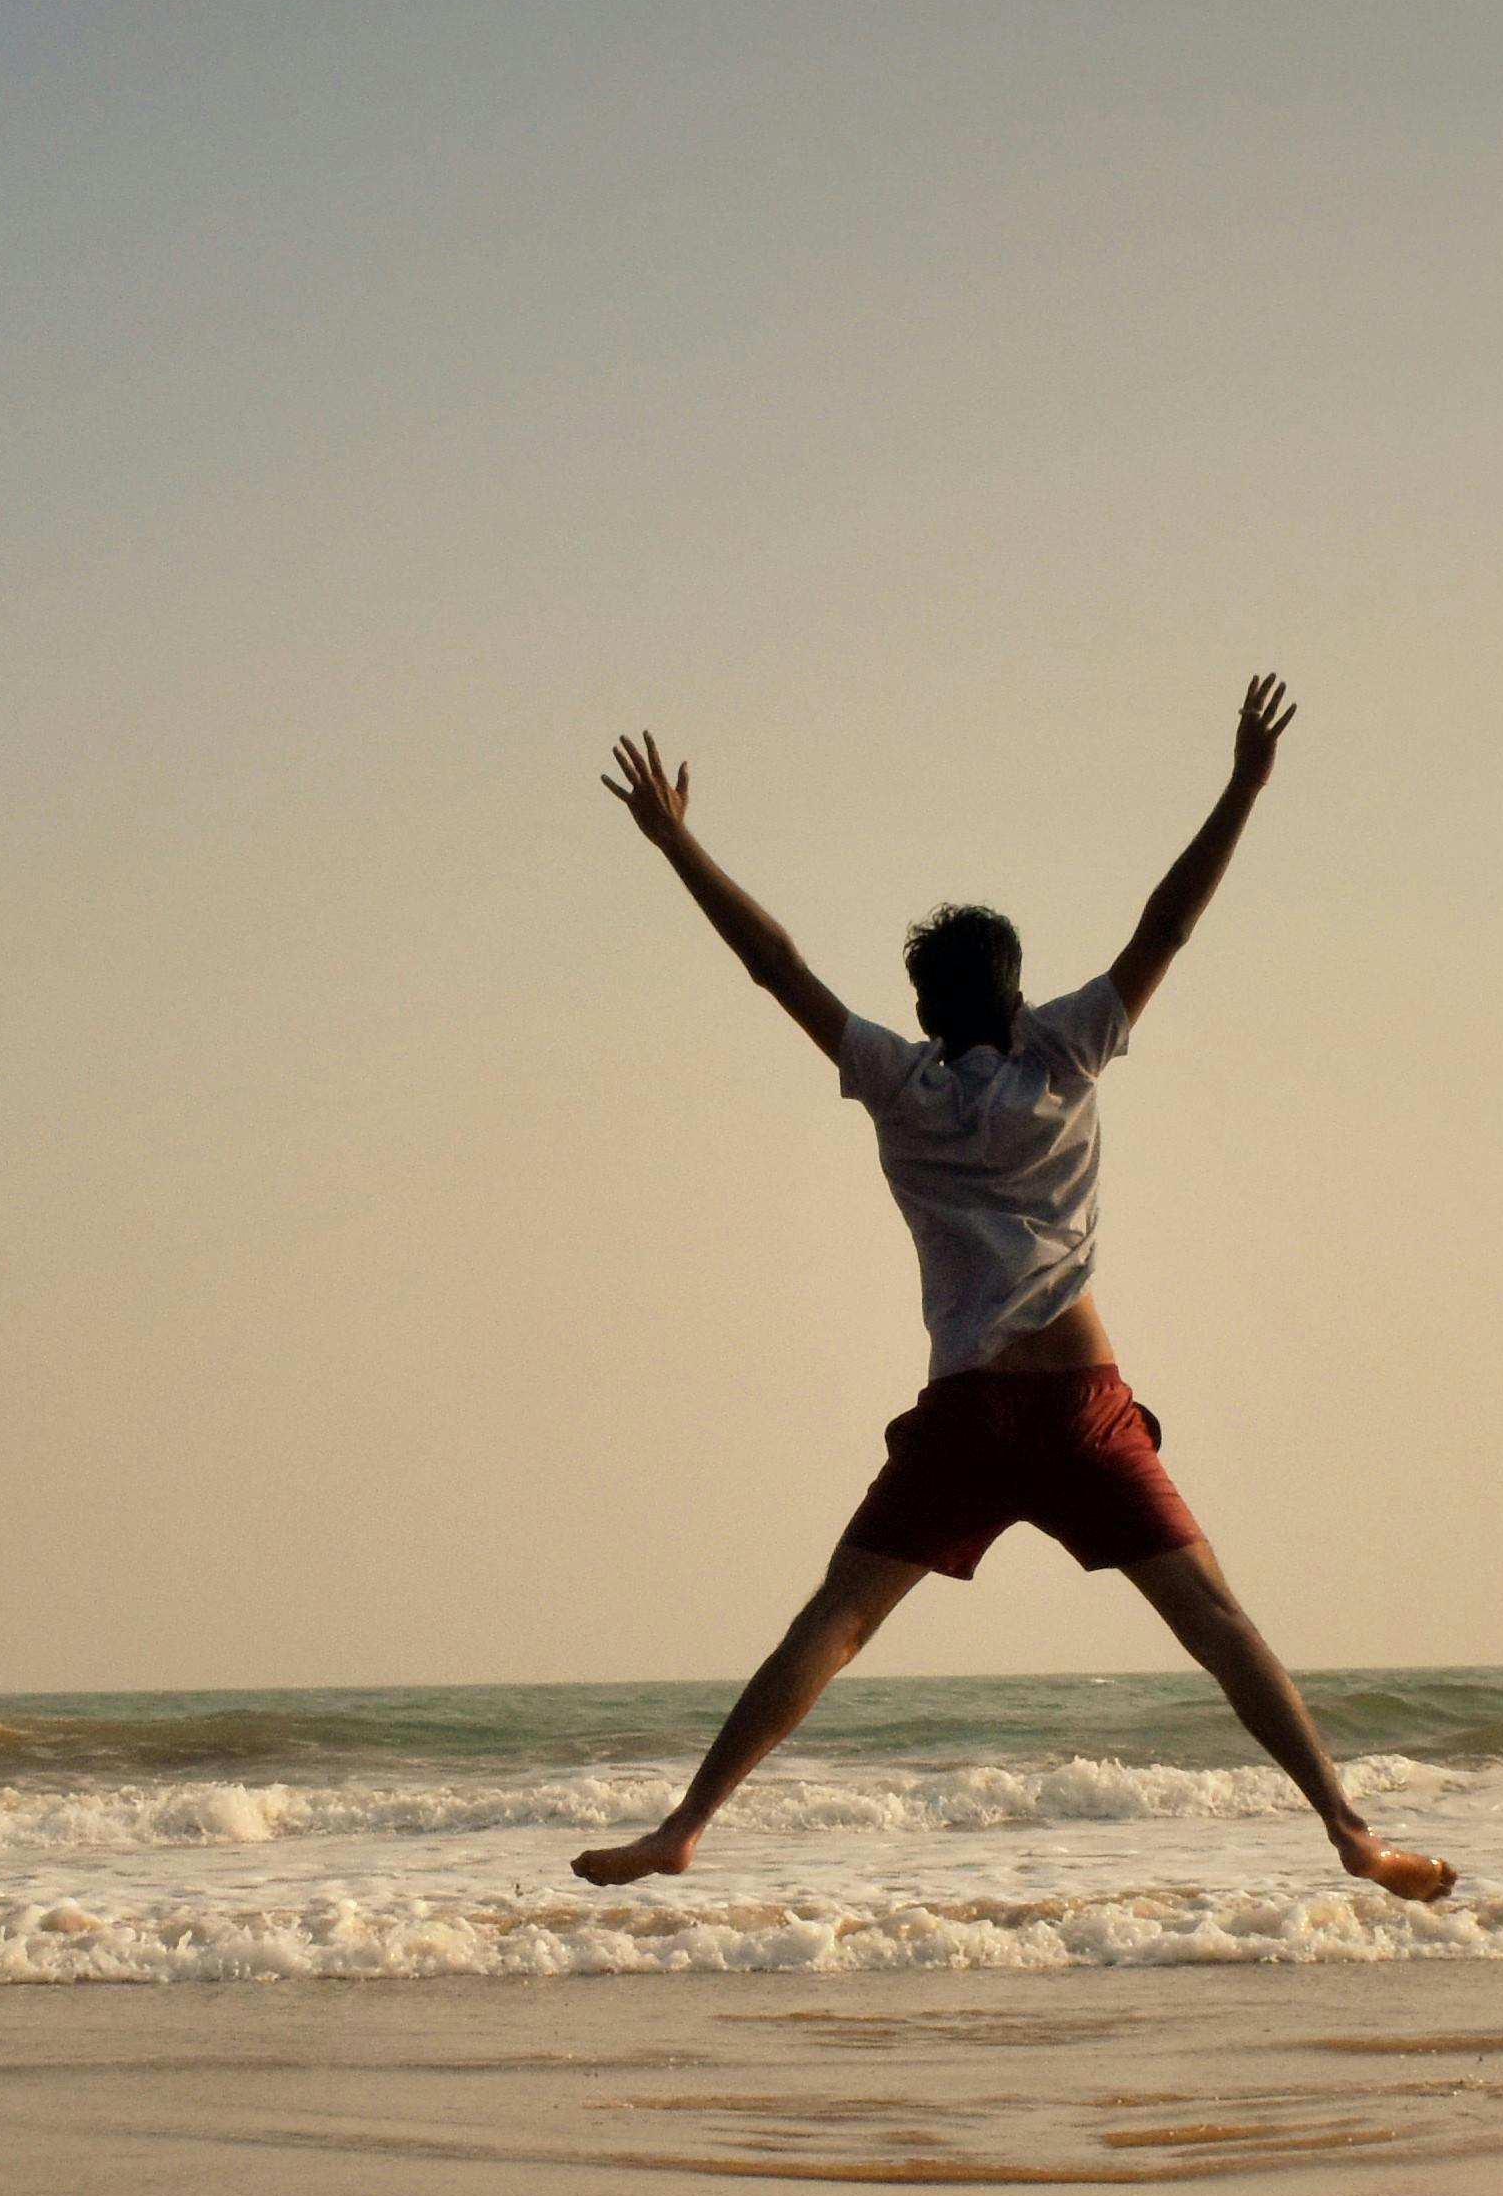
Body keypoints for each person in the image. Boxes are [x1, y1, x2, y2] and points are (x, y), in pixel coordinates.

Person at [572, 675, 1456, 1902]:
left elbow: (776, 966)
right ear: (1019, 985)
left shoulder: (898, 1079)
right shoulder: (1068, 1048)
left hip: (974, 1412)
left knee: (833, 1624)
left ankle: (685, 1826)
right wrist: (1244, 787)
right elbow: (1167, 925)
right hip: (1085, 1404)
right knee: (1221, 1628)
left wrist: (678, 843)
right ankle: (1351, 1829)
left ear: (929, 1006)